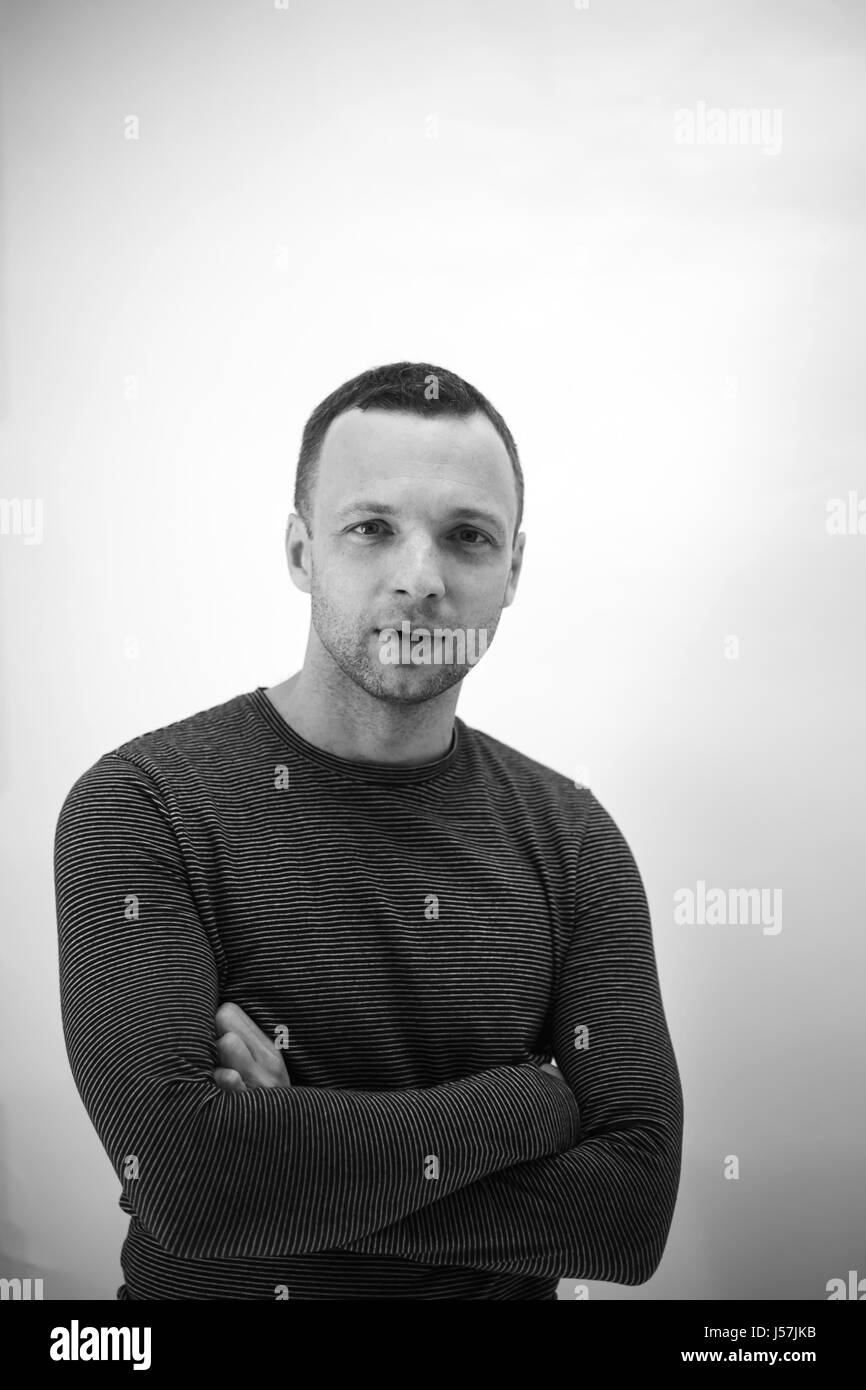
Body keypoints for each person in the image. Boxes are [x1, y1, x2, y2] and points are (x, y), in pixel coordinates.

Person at [54, 360, 684, 1300]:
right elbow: (184, 1184)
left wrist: (286, 1157)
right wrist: (531, 1103)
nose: (419, 580)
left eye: (467, 536)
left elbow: (628, 1218)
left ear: (513, 569)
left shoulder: (573, 837)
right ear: (303, 552)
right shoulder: (143, 805)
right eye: (372, 529)